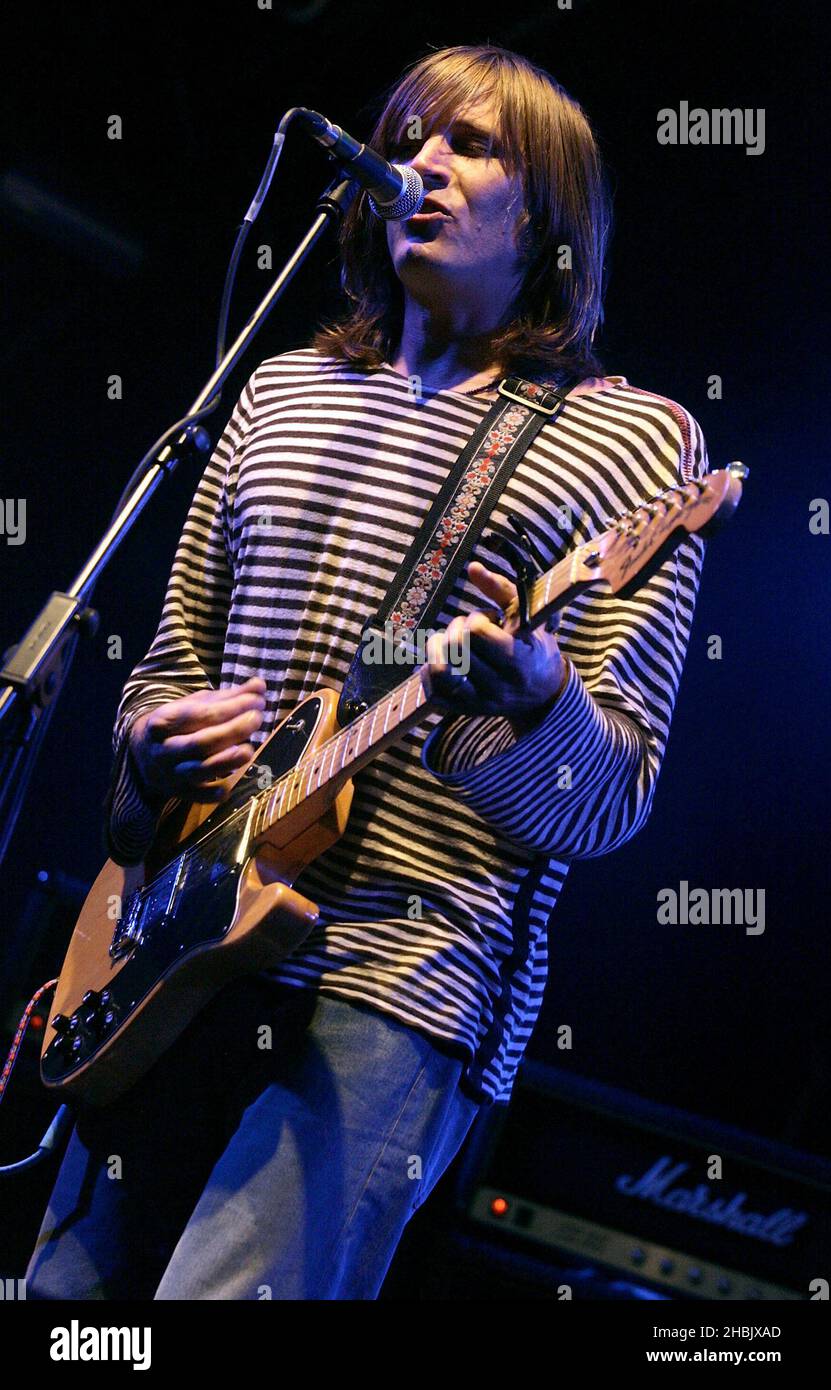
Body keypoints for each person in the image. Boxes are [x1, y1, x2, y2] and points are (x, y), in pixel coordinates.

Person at [27, 43, 709, 1300]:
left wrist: (538, 699)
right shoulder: (276, 394)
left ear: (551, 209)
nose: (421, 167)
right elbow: (170, 663)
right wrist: (144, 751)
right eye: (405, 142)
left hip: (397, 980)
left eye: (470, 144)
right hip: (169, 949)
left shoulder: (631, 441)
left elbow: (613, 795)